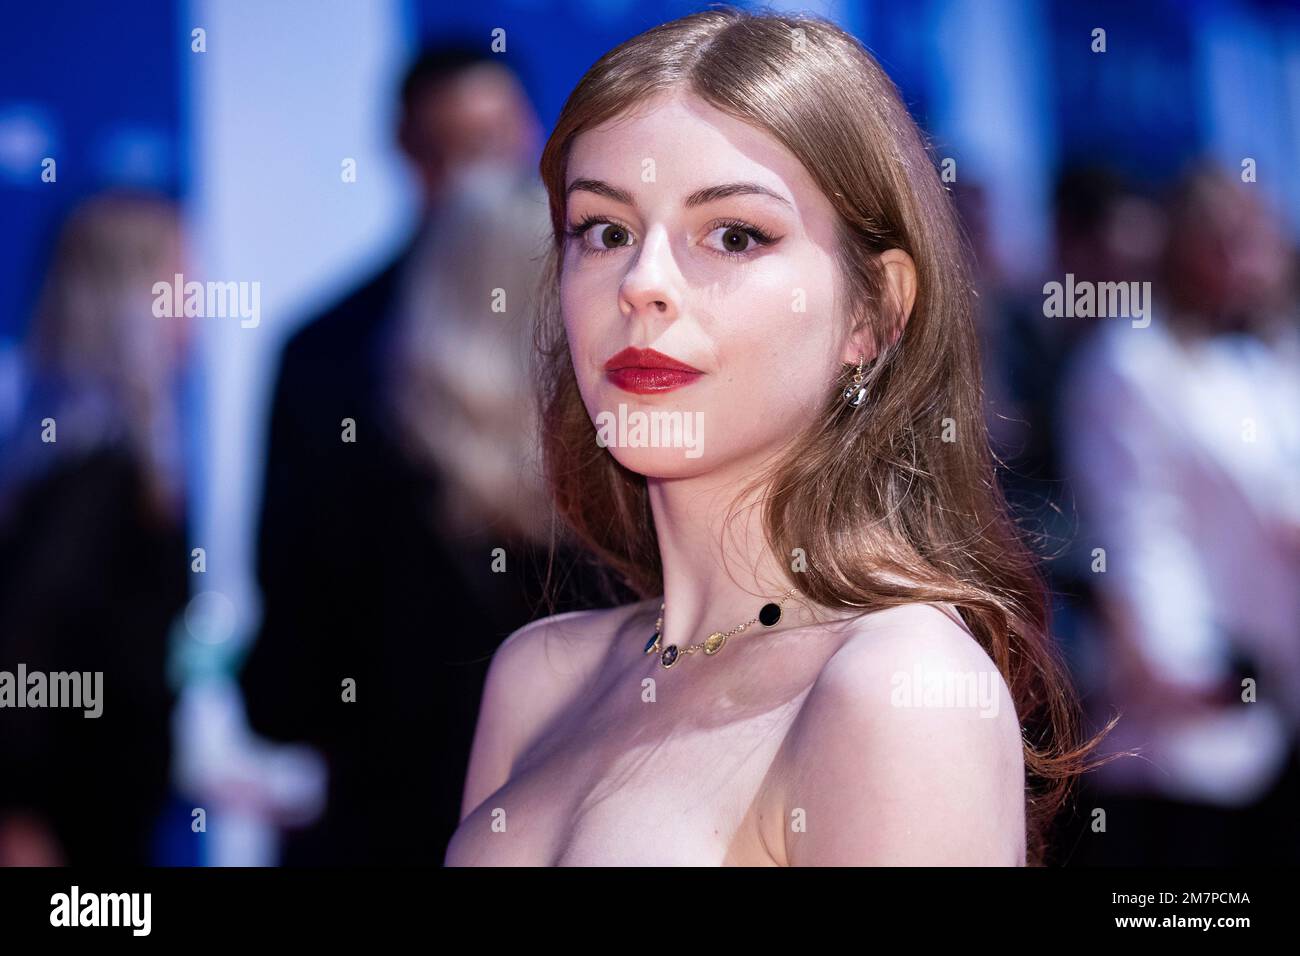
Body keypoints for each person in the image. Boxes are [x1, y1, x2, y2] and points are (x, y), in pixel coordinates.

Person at [445, 8, 1114, 868]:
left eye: (733, 235)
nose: (642, 284)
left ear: (873, 312)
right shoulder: (536, 676)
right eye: (604, 231)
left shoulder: (898, 687)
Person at [238, 43, 617, 865]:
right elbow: (294, 627)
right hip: (392, 806)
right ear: (404, 150)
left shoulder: (619, 325)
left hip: (588, 795)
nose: (479, 173)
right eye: (452, 148)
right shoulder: (327, 355)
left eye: (492, 141)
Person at [1061, 164, 1300, 864]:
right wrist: (1181, 674)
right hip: (1182, 713)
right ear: (1181, 246)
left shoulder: (1261, 364)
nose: (1248, 259)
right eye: (1225, 238)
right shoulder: (1130, 360)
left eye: (1257, 237)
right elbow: (1133, 529)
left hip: (1270, 699)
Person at [0, 193, 190, 865]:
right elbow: (23, 647)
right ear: (132, 296)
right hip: (72, 839)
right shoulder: (94, 469)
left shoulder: (92, 459)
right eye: (181, 275)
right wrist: (20, 816)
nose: (198, 299)